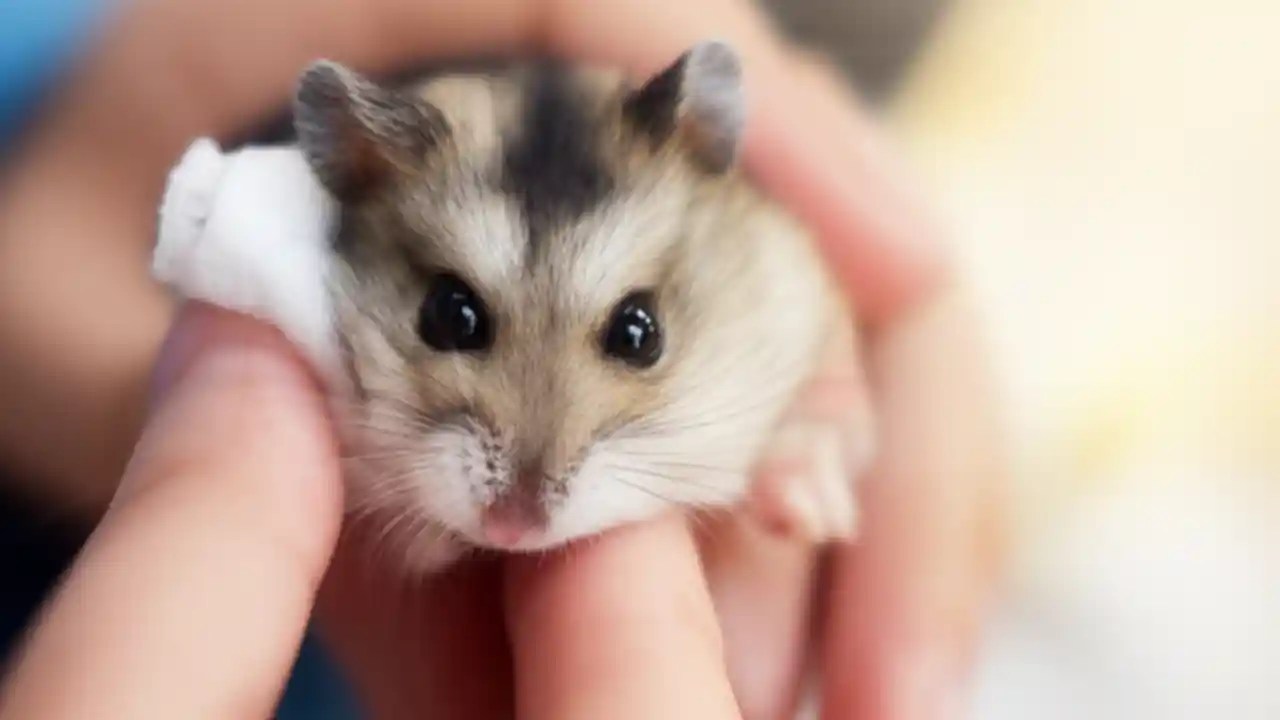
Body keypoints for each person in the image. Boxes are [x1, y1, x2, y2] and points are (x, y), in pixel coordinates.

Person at [0, 0, 1004, 717]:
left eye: (629, 338)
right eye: (456, 320)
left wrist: (811, 423)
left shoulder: (757, 263)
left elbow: (818, 301)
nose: (531, 476)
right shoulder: (297, 219)